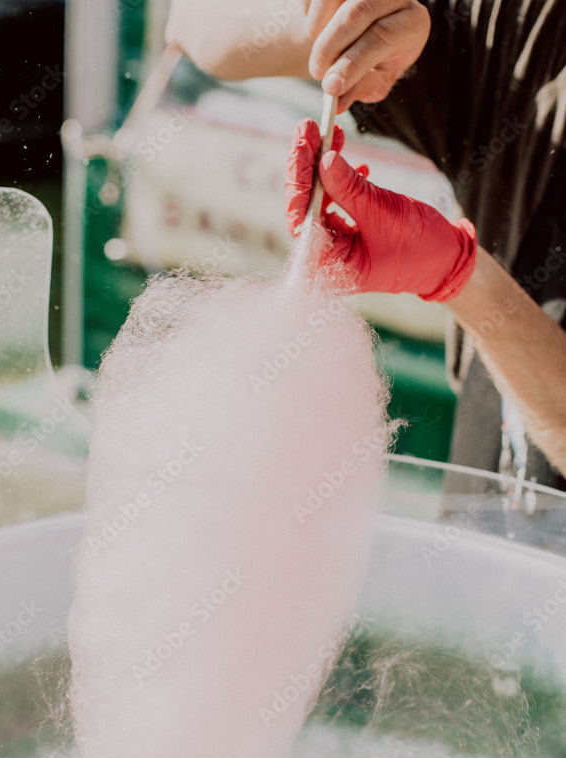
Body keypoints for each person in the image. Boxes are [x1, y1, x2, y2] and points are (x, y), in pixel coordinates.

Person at [166, 0, 566, 488]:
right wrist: (330, 22)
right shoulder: (522, 32)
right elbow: (194, 20)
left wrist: (461, 277)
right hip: (482, 510)